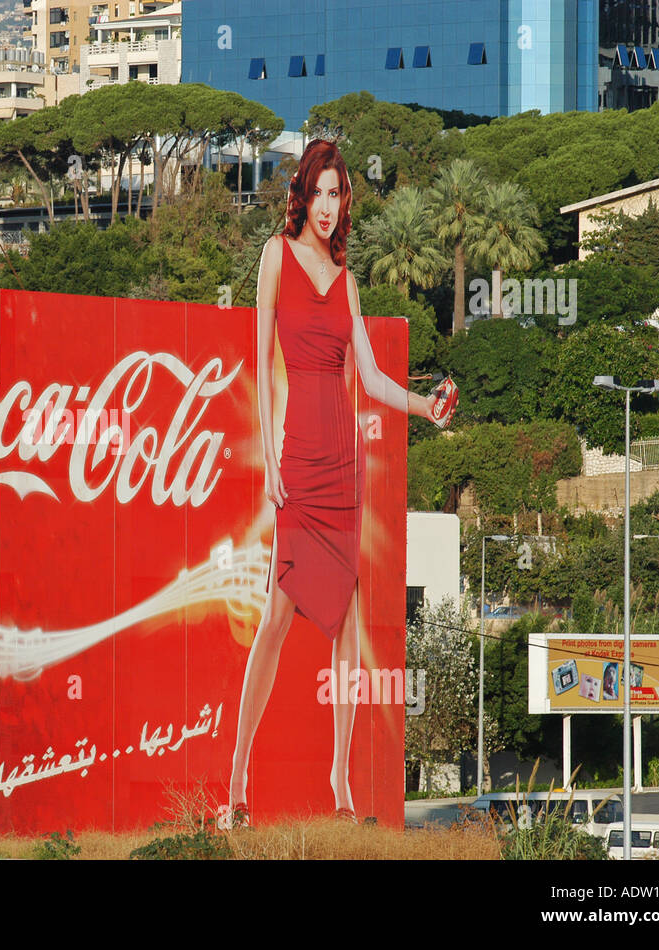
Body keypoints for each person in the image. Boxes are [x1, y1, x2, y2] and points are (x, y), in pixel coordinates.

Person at [222, 139, 452, 827]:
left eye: (338, 194)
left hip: (343, 464)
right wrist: (268, 461)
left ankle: (341, 784)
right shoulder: (274, 256)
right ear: (302, 195)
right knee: (277, 616)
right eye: (319, 192)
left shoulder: (349, 280)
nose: (328, 206)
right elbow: (260, 363)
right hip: (298, 459)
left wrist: (424, 406)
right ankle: (235, 780)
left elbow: (374, 378)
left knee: (348, 622)